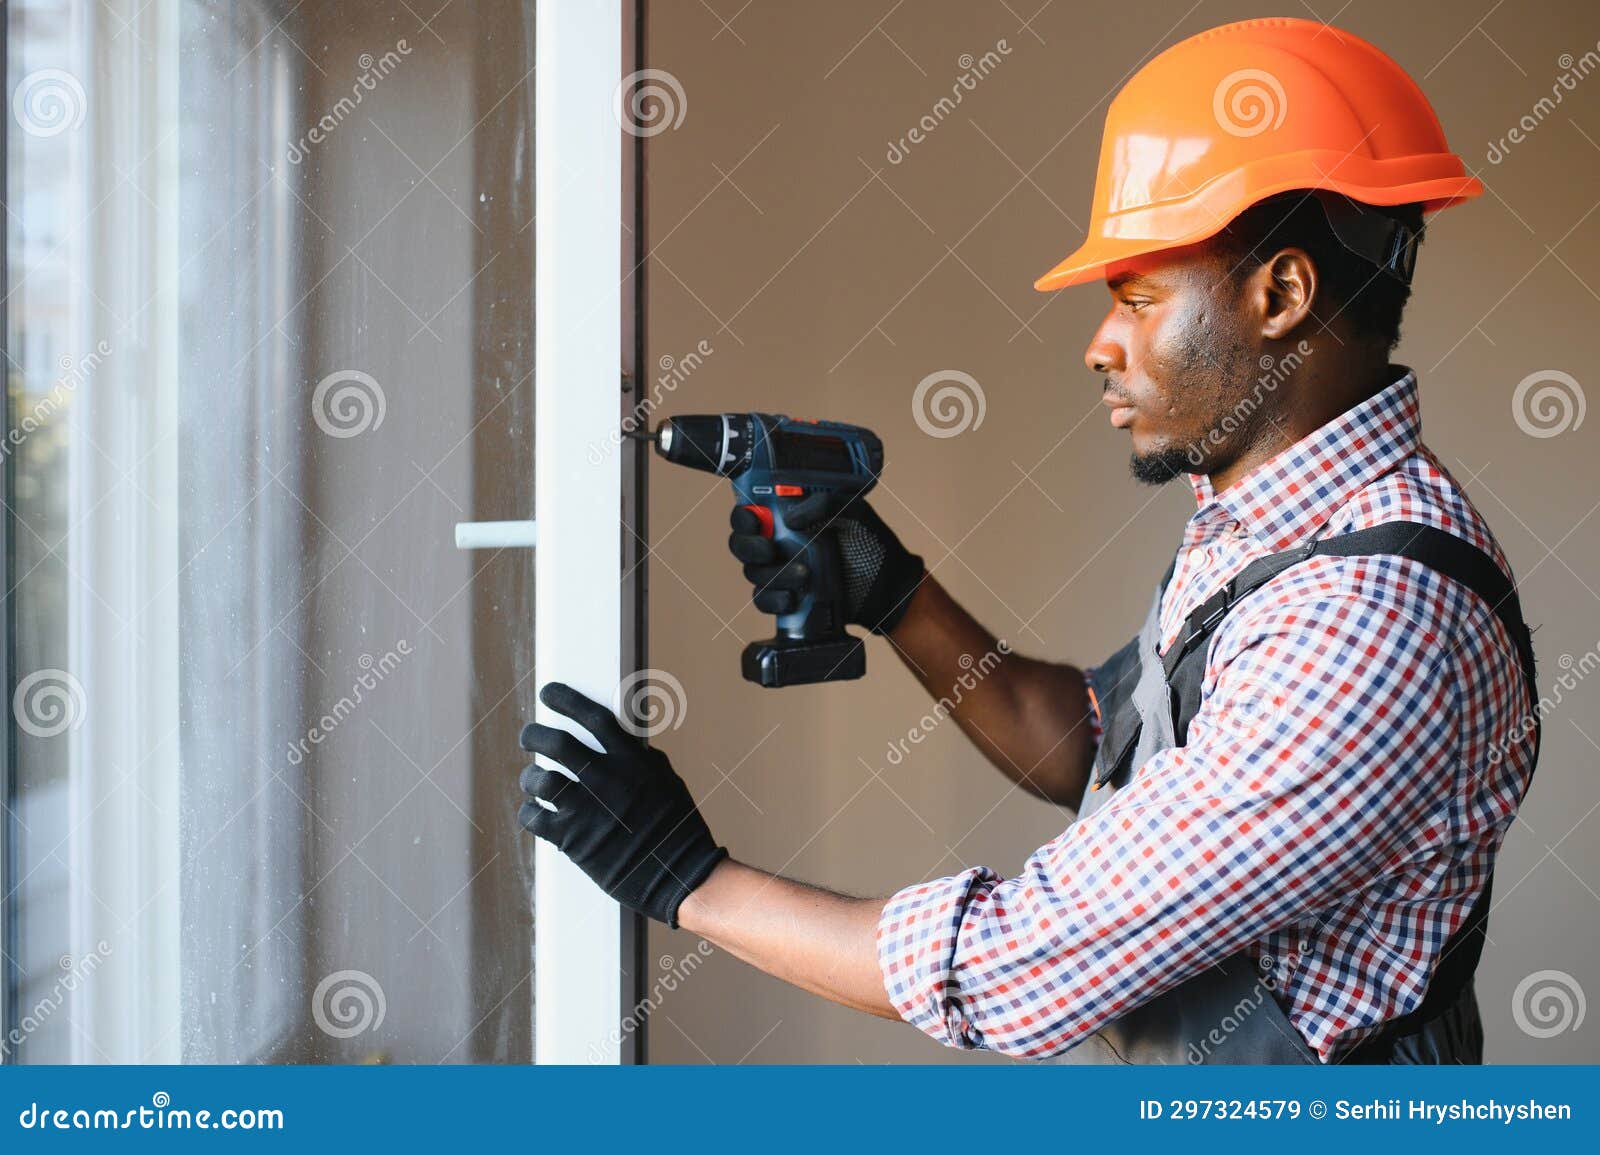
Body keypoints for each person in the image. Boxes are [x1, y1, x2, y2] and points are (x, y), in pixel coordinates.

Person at [515, 17, 1540, 1064]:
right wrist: (892, 592)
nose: (1101, 345)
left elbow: (1017, 967)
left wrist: (687, 879)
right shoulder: (1274, 530)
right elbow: (1098, 749)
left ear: (1279, 296)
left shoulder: (1364, 622)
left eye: (1137, 299)